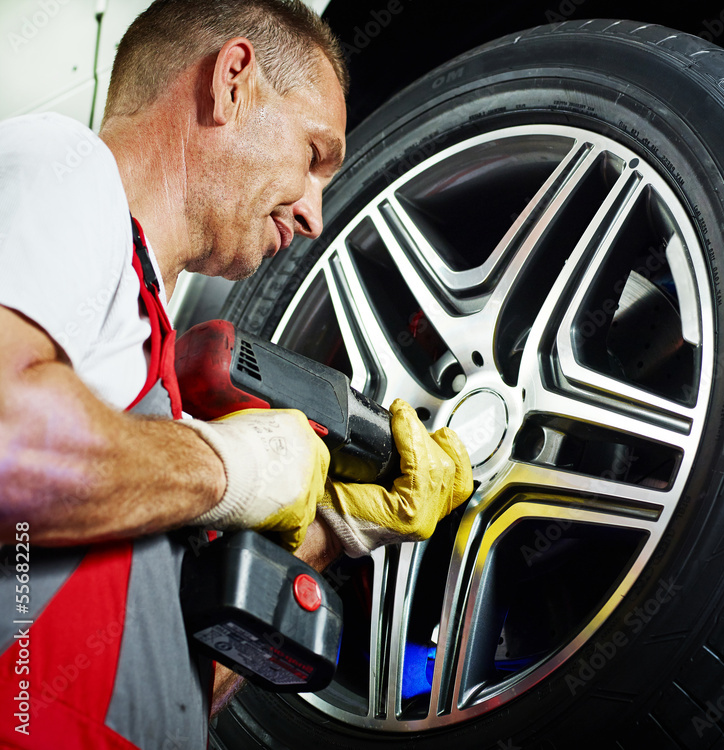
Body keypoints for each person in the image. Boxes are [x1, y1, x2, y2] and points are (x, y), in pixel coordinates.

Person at [0, 1, 473, 747]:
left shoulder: (136, 388)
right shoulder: (58, 165)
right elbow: (7, 450)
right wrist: (236, 466)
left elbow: (170, 687)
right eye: (315, 155)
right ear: (233, 82)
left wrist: (330, 532)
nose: (316, 213)